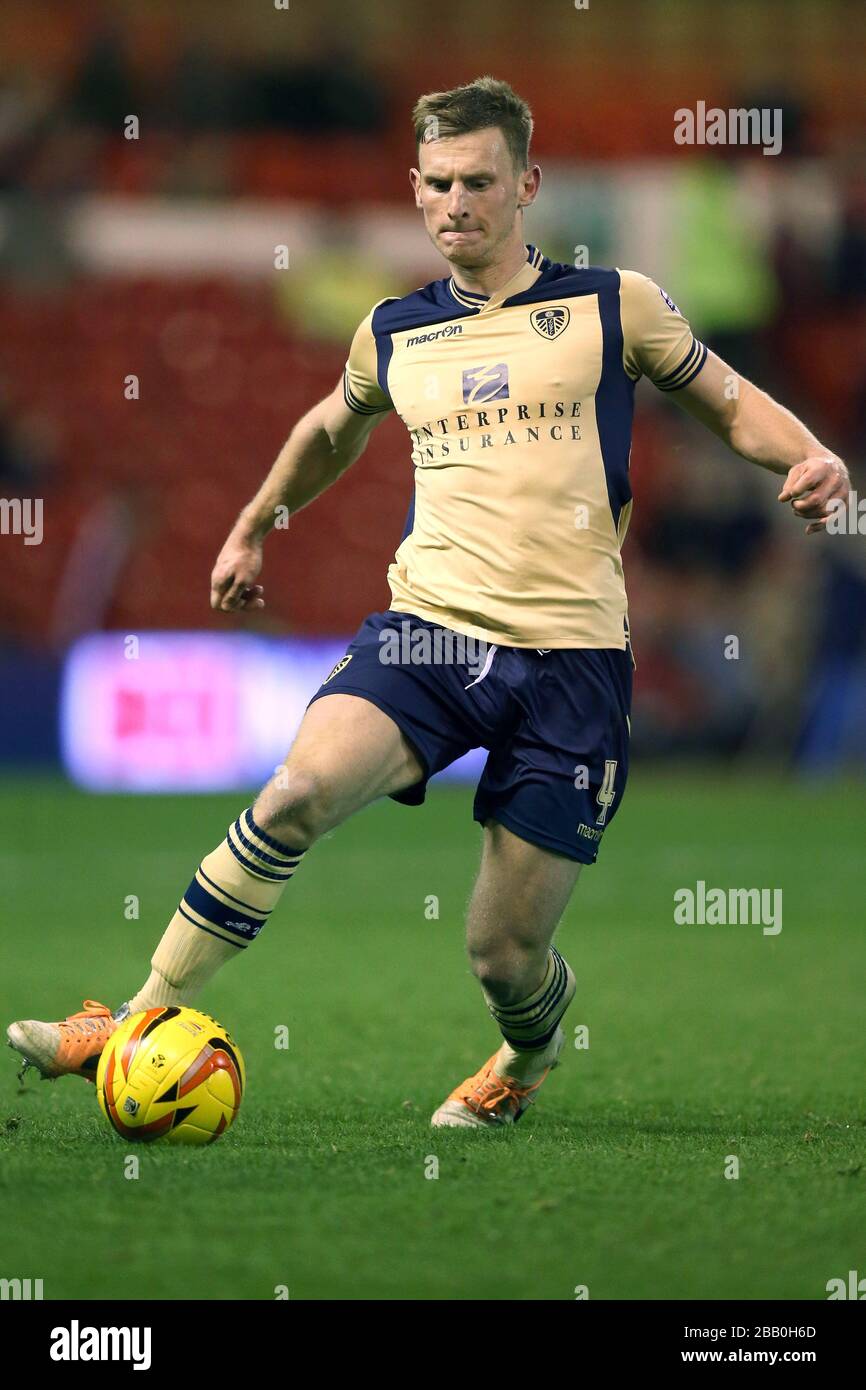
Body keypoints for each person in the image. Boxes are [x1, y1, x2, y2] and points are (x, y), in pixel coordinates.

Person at [8, 77, 849, 1128]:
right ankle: (128, 1022)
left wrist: (808, 453)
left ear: (525, 186)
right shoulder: (393, 331)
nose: (458, 201)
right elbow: (328, 429)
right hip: (430, 634)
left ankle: (525, 1051)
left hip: (572, 665)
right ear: (415, 191)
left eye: (480, 182)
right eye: (439, 183)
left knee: (501, 952)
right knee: (295, 792)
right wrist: (255, 519)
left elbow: (722, 398)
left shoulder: (610, 304)